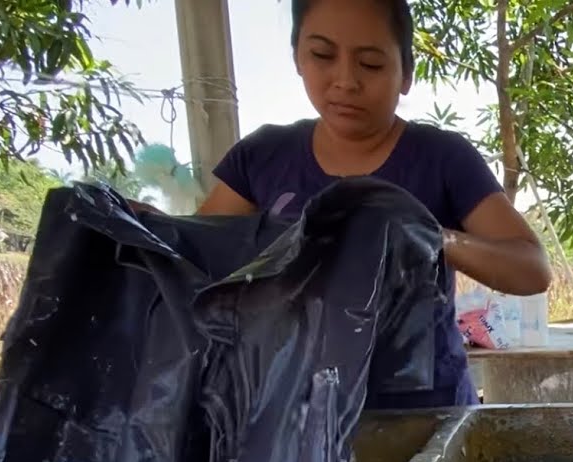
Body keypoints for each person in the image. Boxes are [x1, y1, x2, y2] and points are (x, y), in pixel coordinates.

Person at [193, 0, 552, 410]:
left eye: (370, 64)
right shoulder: (262, 157)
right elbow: (195, 262)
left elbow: (531, 269)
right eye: (322, 55)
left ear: (406, 74)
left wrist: (429, 236)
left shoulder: (443, 158)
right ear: (297, 57)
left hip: (426, 416)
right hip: (295, 413)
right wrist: (151, 231)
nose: (345, 81)